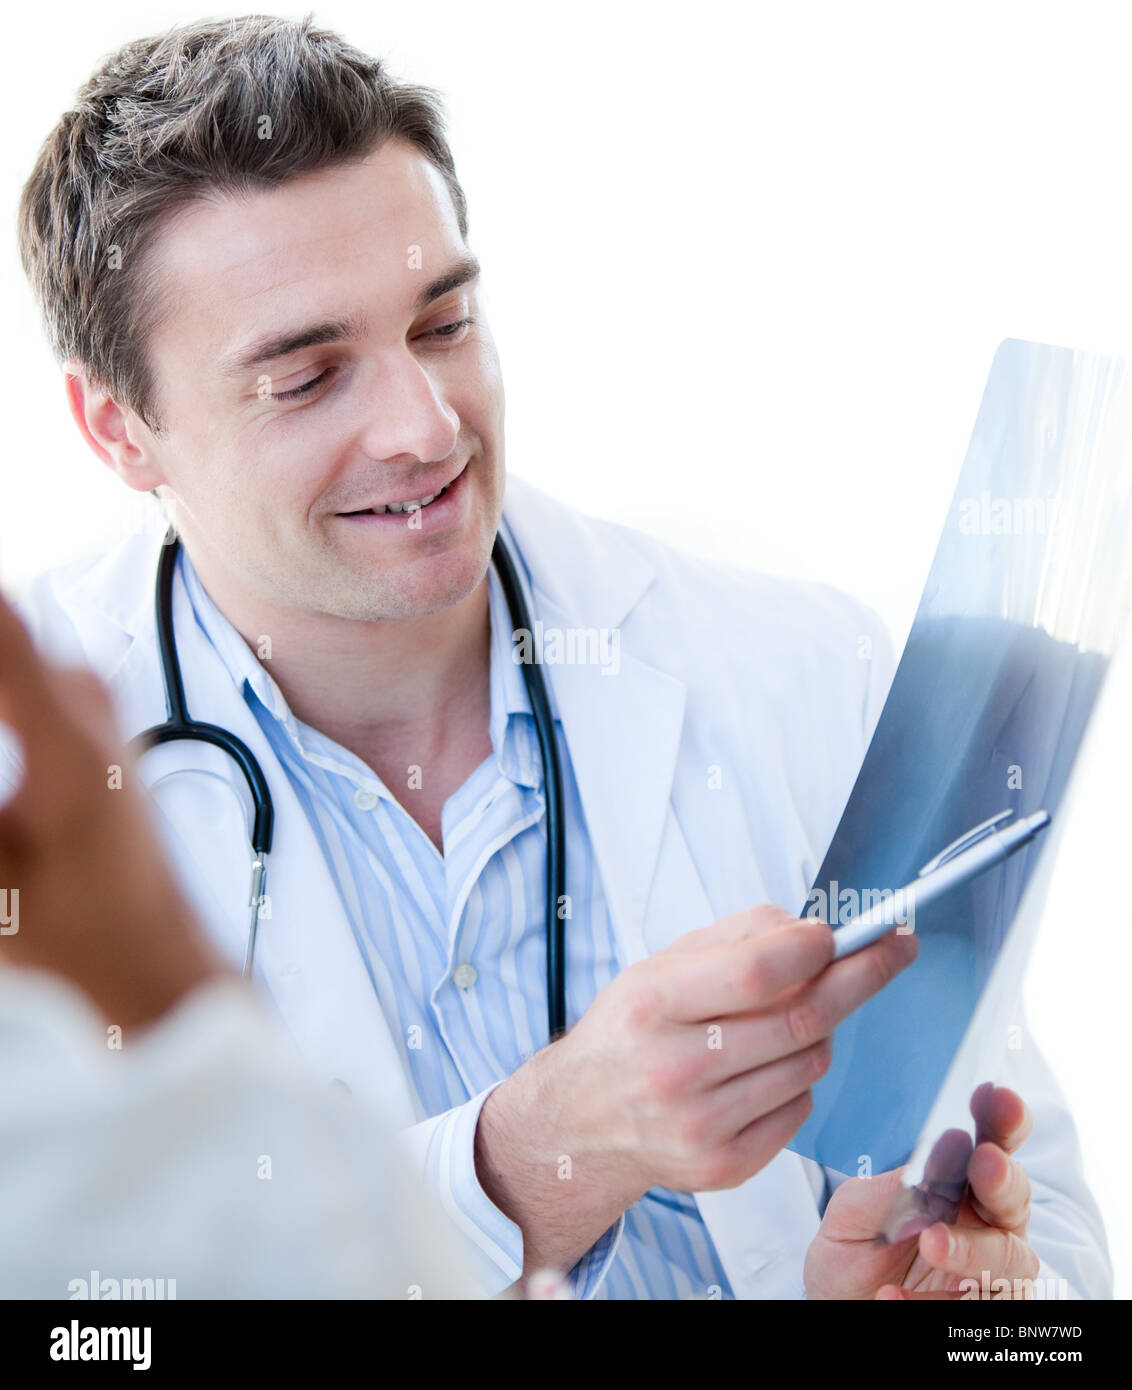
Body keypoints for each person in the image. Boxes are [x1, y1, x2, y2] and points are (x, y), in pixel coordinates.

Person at [6, 14, 1111, 1299]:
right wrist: (533, 1154)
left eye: (440, 324)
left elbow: (1063, 1249)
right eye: (306, 378)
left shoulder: (804, 673)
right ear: (119, 430)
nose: (424, 429)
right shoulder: (37, 794)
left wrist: (969, 1296)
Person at [0, 587, 479, 1299]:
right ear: (129, 464)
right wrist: (508, 1166)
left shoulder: (680, 620)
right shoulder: (40, 758)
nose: (409, 463)